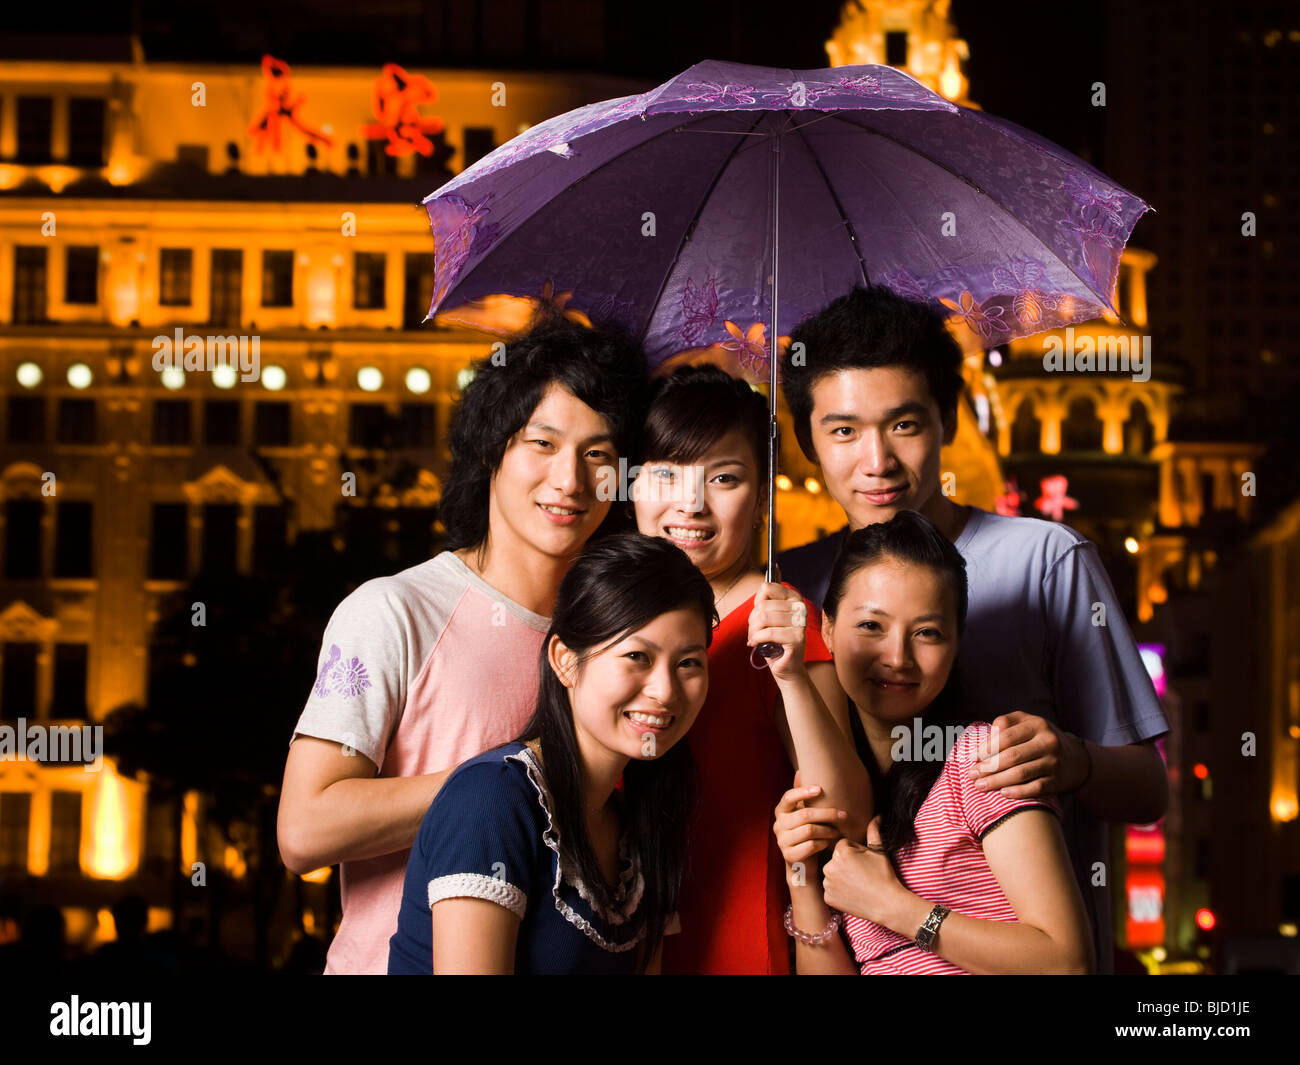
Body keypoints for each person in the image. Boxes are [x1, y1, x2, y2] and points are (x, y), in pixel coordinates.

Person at [775, 284, 1168, 972]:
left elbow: (1146, 790)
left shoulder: (1046, 561)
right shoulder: (792, 587)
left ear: (950, 419)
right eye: (843, 430)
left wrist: (1069, 758)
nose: (877, 462)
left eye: (904, 424)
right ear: (807, 438)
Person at [277, 315, 649, 974]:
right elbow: (305, 827)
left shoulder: (616, 643)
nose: (570, 480)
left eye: (598, 453)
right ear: (490, 450)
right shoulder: (394, 611)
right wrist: (510, 782)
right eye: (542, 442)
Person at [774, 512, 1094, 974]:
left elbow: (1067, 963)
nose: (897, 657)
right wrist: (801, 878)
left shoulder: (983, 759)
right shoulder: (833, 788)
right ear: (826, 629)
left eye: (927, 633)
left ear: (957, 643)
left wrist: (894, 907)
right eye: (871, 626)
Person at [630, 365, 870, 974]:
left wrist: (791, 676)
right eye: (665, 472)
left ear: (764, 495)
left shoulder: (781, 622)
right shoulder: (608, 612)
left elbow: (847, 815)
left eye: (725, 478)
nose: (690, 502)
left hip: (735, 937)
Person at [388, 533, 714, 974]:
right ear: (564, 659)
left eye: (689, 662)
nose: (665, 691)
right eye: (637, 655)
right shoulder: (491, 800)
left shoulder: (640, 817)